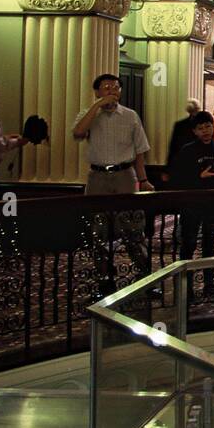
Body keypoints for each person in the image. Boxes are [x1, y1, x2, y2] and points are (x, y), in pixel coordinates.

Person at [73, 74, 155, 278]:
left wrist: (143, 180)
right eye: (107, 88)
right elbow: (78, 133)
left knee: (133, 228)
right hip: (98, 177)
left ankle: (145, 276)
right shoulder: (88, 114)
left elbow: (140, 151)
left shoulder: (130, 116)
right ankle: (103, 277)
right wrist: (96, 107)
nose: (112, 92)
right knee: (98, 230)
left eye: (116, 88)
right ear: (97, 92)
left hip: (124, 175)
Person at [168, 111, 214, 292]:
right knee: (188, 244)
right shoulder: (188, 151)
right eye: (200, 128)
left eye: (208, 126)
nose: (205, 131)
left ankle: (209, 282)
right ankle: (187, 286)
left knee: (210, 244)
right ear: (194, 131)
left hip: (213, 204)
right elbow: (178, 178)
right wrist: (199, 176)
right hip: (192, 204)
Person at [167, 98, 202, 163]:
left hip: (182, 160)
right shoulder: (203, 126)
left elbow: (173, 147)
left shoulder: (179, 125)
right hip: (196, 160)